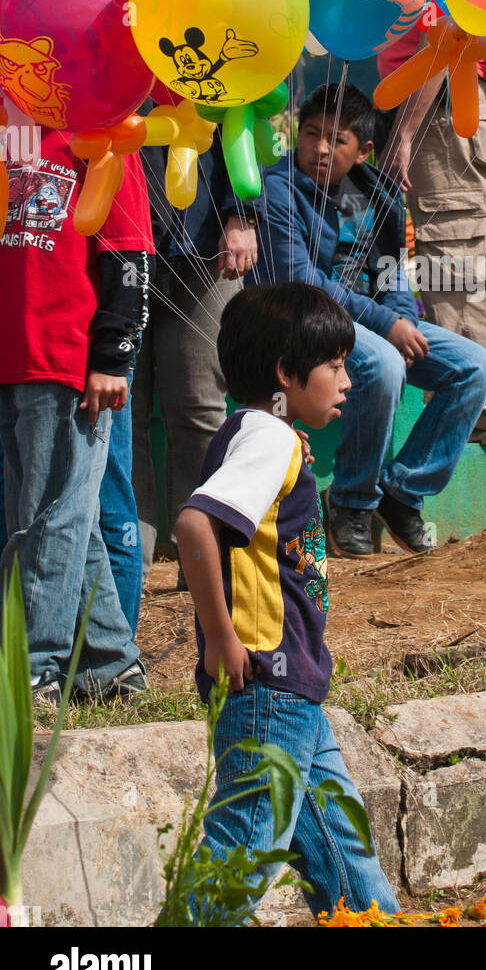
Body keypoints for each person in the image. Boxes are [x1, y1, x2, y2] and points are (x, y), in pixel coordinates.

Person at [175, 282, 400, 920]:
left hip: (290, 686)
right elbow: (196, 527)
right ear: (284, 372)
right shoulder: (270, 437)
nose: (347, 380)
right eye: (333, 364)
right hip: (267, 682)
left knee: (342, 847)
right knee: (245, 853)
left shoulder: (255, 432)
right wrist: (222, 639)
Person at [257, 82, 486, 558]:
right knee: (383, 362)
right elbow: (300, 280)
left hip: (374, 321)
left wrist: (402, 320)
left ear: (364, 150)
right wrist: (387, 325)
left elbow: (392, 276)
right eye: (310, 134)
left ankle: (403, 491)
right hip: (304, 319)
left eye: (336, 139)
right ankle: (350, 502)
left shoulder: (379, 193)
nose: (320, 149)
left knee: (475, 367)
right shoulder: (278, 187)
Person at [0, 129, 153, 705]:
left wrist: (113, 356)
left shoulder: (106, 130)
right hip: (11, 355)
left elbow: (130, 254)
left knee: (47, 517)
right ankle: (110, 663)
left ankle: (34, 667)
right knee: (65, 515)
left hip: (66, 359)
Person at [381, 31, 486, 444]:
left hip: (442, 112)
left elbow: (445, 37)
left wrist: (405, 132)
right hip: (467, 110)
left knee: (456, 269)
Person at [134, 122, 258, 590]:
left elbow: (239, 110)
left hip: (205, 245)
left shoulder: (214, 49)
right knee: (124, 416)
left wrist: (241, 214)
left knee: (200, 409)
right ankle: (129, 571)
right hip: (118, 241)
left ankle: (202, 570)